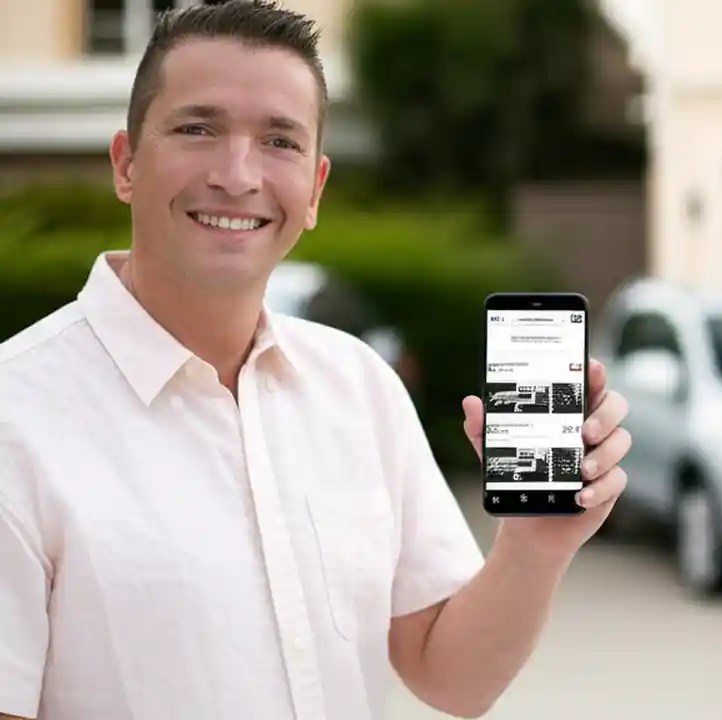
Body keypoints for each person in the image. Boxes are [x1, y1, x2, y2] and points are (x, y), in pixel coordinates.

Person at [0, 2, 630, 719]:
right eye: (197, 128)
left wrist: (535, 545)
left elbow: (453, 678)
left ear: (316, 190)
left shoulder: (359, 387)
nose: (238, 175)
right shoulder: (14, 417)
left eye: (279, 141)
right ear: (125, 164)